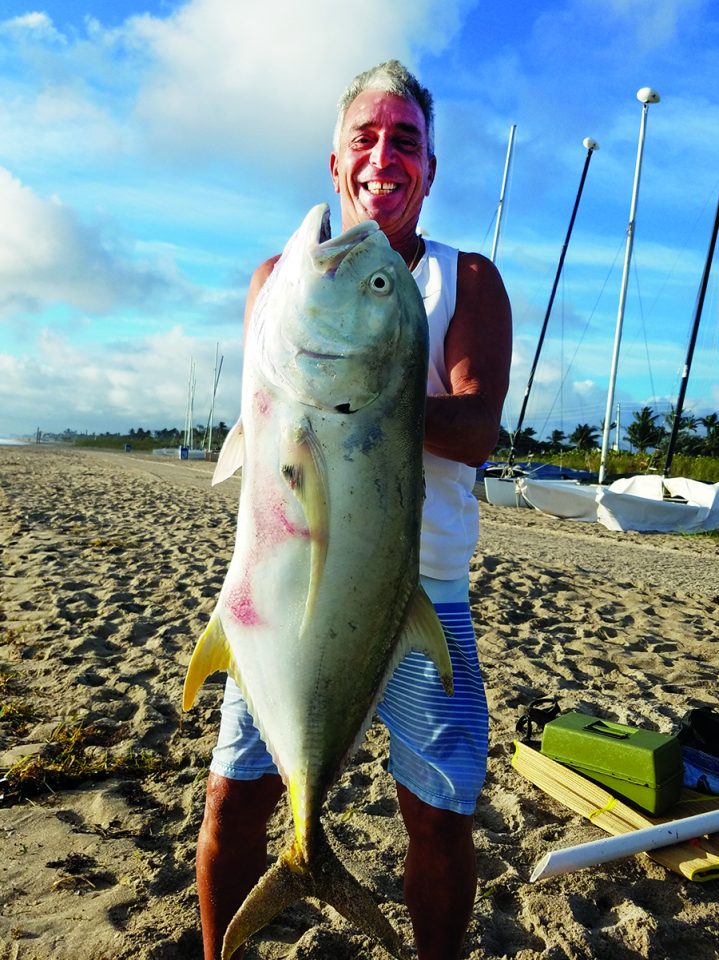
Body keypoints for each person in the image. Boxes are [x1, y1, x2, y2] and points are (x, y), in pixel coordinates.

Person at [196, 60, 512, 960]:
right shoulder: (278, 278)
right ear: (335, 162)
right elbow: (266, 413)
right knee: (233, 799)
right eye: (364, 139)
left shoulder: (466, 279)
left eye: (404, 141)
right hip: (272, 588)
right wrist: (335, 399)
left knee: (440, 817)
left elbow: (477, 428)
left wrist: (369, 395)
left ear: (429, 169)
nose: (383, 156)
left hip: (422, 596)